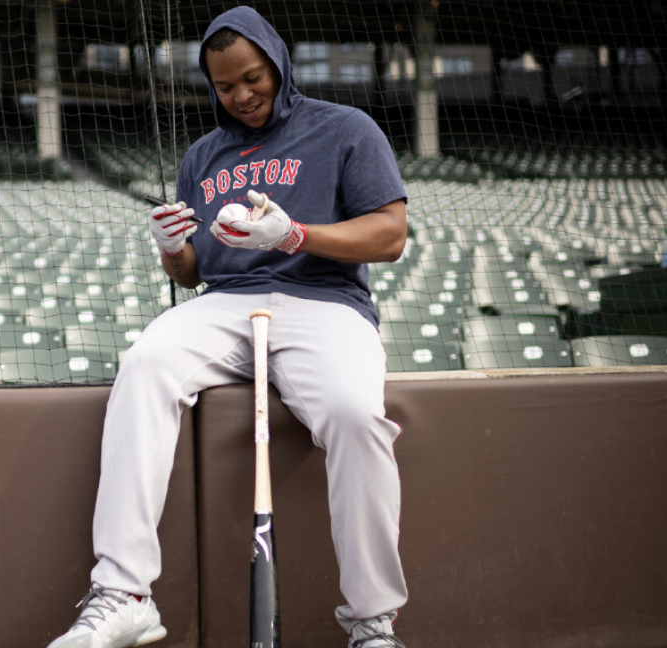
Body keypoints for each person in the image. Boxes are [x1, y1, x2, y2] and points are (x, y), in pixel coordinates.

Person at [47, 7, 409, 648]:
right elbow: (191, 275)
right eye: (225, 85)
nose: (242, 95)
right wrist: (169, 248)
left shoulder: (345, 128)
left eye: (253, 77)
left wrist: (295, 233)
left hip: (323, 300)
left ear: (278, 62)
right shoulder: (204, 154)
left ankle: (372, 622)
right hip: (224, 301)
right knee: (146, 366)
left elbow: (390, 235)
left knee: (356, 413)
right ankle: (125, 592)